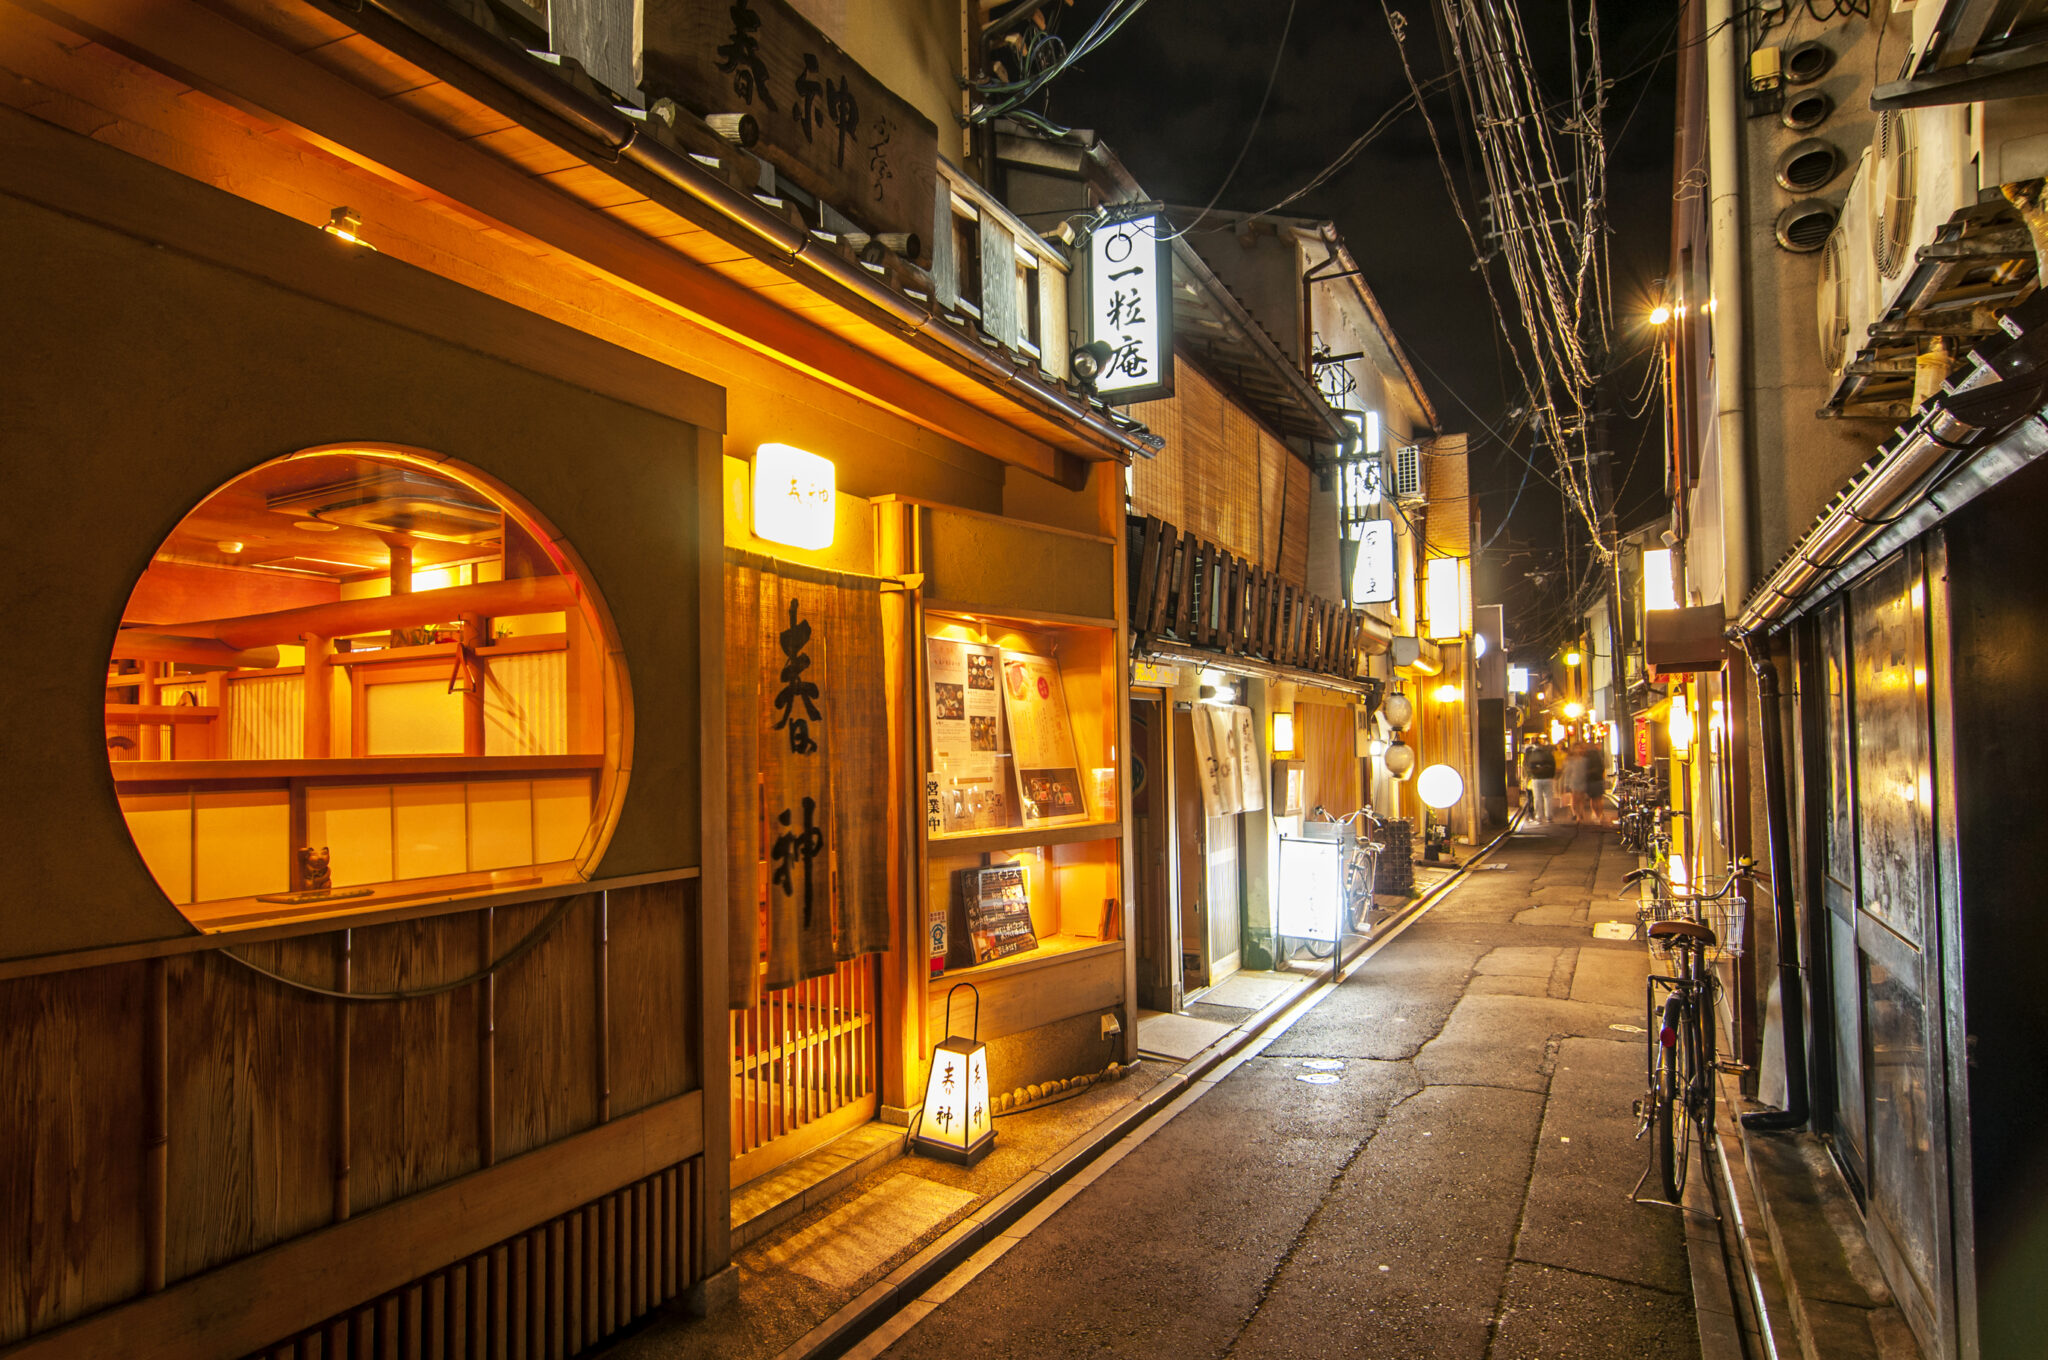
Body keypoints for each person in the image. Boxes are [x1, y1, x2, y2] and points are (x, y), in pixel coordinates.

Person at [1520, 739, 1557, 823]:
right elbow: (1553, 764)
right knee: (1548, 797)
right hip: (1548, 778)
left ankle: (1539, 817)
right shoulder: (1548, 754)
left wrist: (1530, 776)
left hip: (1536, 778)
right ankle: (1549, 816)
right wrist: (1551, 775)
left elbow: (1527, 766)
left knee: (1537, 798)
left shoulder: (1531, 754)